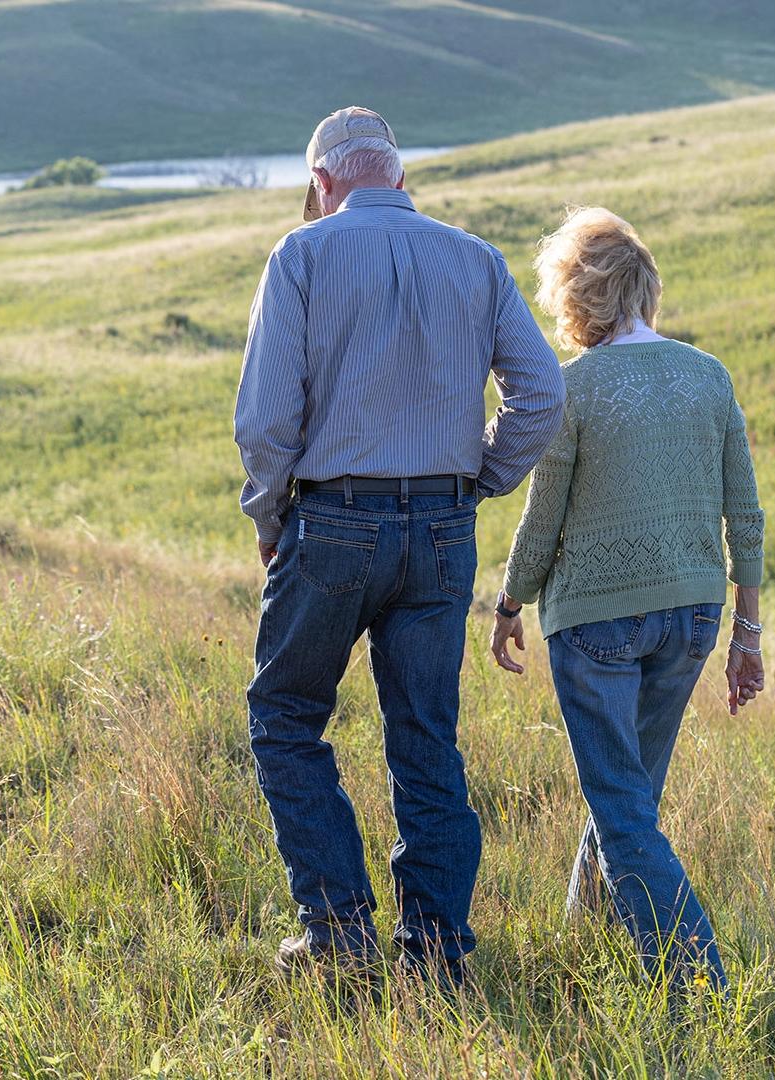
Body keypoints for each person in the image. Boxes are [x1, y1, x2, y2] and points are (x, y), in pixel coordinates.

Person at [234, 106, 564, 985]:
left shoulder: (299, 256)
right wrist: (479, 480)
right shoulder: (476, 258)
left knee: (285, 718)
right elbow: (541, 394)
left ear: (322, 183)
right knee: (426, 739)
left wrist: (270, 520)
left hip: (334, 522)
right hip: (443, 530)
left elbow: (265, 422)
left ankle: (339, 934)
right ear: (401, 177)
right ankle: (438, 955)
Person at [490, 207, 765, 990]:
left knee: (622, 809)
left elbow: (543, 518)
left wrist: (509, 604)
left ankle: (698, 986)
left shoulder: (573, 388)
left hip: (595, 619)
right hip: (693, 617)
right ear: (645, 287)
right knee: (630, 798)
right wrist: (747, 635)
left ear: (577, 297)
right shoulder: (709, 375)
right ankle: (583, 941)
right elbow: (744, 515)